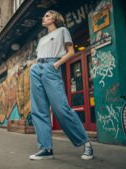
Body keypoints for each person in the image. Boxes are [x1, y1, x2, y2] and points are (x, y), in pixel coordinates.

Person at [29, 10, 94, 160]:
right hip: (37, 68)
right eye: (44, 15)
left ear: (55, 18)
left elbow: (71, 52)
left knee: (61, 108)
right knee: (38, 110)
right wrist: (34, 67)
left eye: (47, 15)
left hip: (51, 66)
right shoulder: (42, 39)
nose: (44, 17)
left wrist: (57, 64)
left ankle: (86, 143)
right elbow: (40, 56)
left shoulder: (62, 31)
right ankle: (46, 149)